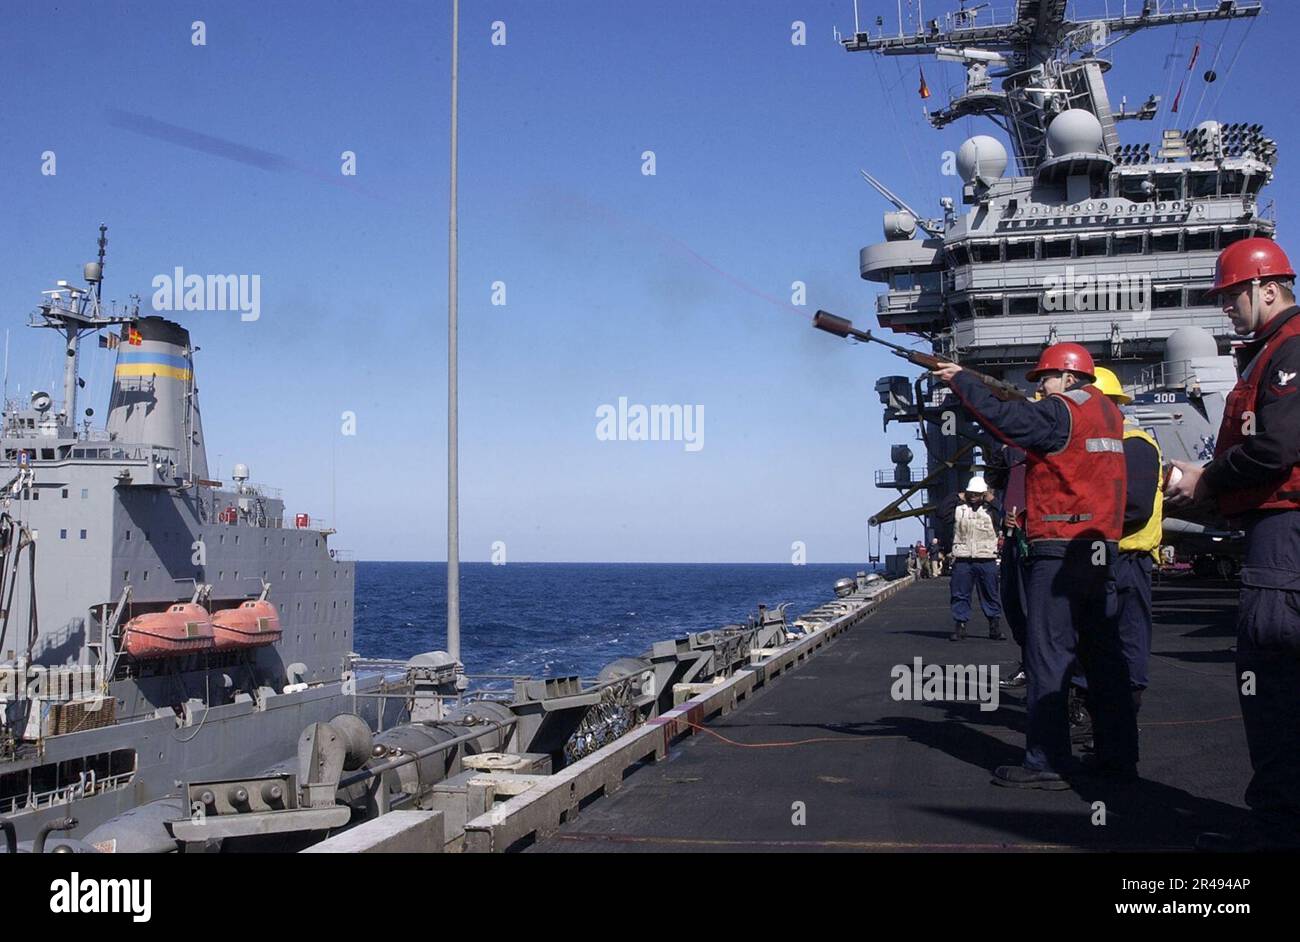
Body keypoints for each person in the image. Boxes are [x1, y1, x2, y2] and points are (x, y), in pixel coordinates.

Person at [932, 343, 1138, 789]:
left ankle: (1046, 762)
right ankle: (1118, 758)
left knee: (1048, 656)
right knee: (1104, 658)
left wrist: (962, 380)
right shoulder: (1107, 414)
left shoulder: (1062, 411)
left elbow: (1013, 424)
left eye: (1044, 378)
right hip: (1102, 550)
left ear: (1068, 377)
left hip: (1059, 550)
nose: (1041, 388)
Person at [1165, 238, 1300, 851]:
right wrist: (1208, 494)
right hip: (1268, 531)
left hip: (1283, 539)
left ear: (1267, 288)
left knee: (1270, 679)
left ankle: (1275, 829)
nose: (1225, 307)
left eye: (1232, 295)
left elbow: (1277, 449)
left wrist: (1207, 479)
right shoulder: (1269, 353)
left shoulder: (1289, 351)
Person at [1092, 367, 1163, 712]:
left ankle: (1124, 717)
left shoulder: (1134, 444)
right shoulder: (1098, 443)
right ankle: (1095, 712)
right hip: (1099, 554)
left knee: (1128, 636)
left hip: (1127, 558)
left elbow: (1134, 507)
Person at [986, 445, 1029, 687]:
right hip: (1015, 538)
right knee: (1014, 605)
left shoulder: (1045, 442)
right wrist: (1001, 449)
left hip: (1035, 537)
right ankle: (1029, 663)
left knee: (1032, 608)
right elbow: (992, 477)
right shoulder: (1012, 452)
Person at [948, 476, 1004, 641]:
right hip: (963, 559)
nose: (973, 496)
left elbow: (1006, 515)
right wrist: (958, 497)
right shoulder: (959, 509)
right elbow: (941, 512)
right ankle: (960, 626)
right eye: (971, 493)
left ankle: (994, 626)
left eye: (977, 493)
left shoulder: (992, 511)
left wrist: (992, 499)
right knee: (959, 594)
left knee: (990, 594)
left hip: (986, 559)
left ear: (984, 494)